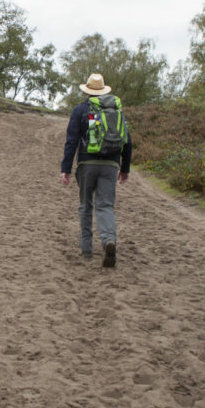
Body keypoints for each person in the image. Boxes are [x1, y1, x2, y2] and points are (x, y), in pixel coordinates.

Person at [60, 73, 132, 267]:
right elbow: (127, 141)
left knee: (86, 205)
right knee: (105, 206)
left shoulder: (80, 110)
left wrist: (65, 168)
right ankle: (109, 240)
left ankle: (86, 249)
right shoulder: (116, 110)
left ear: (87, 90)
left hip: (86, 164)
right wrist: (125, 168)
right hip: (111, 165)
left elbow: (71, 141)